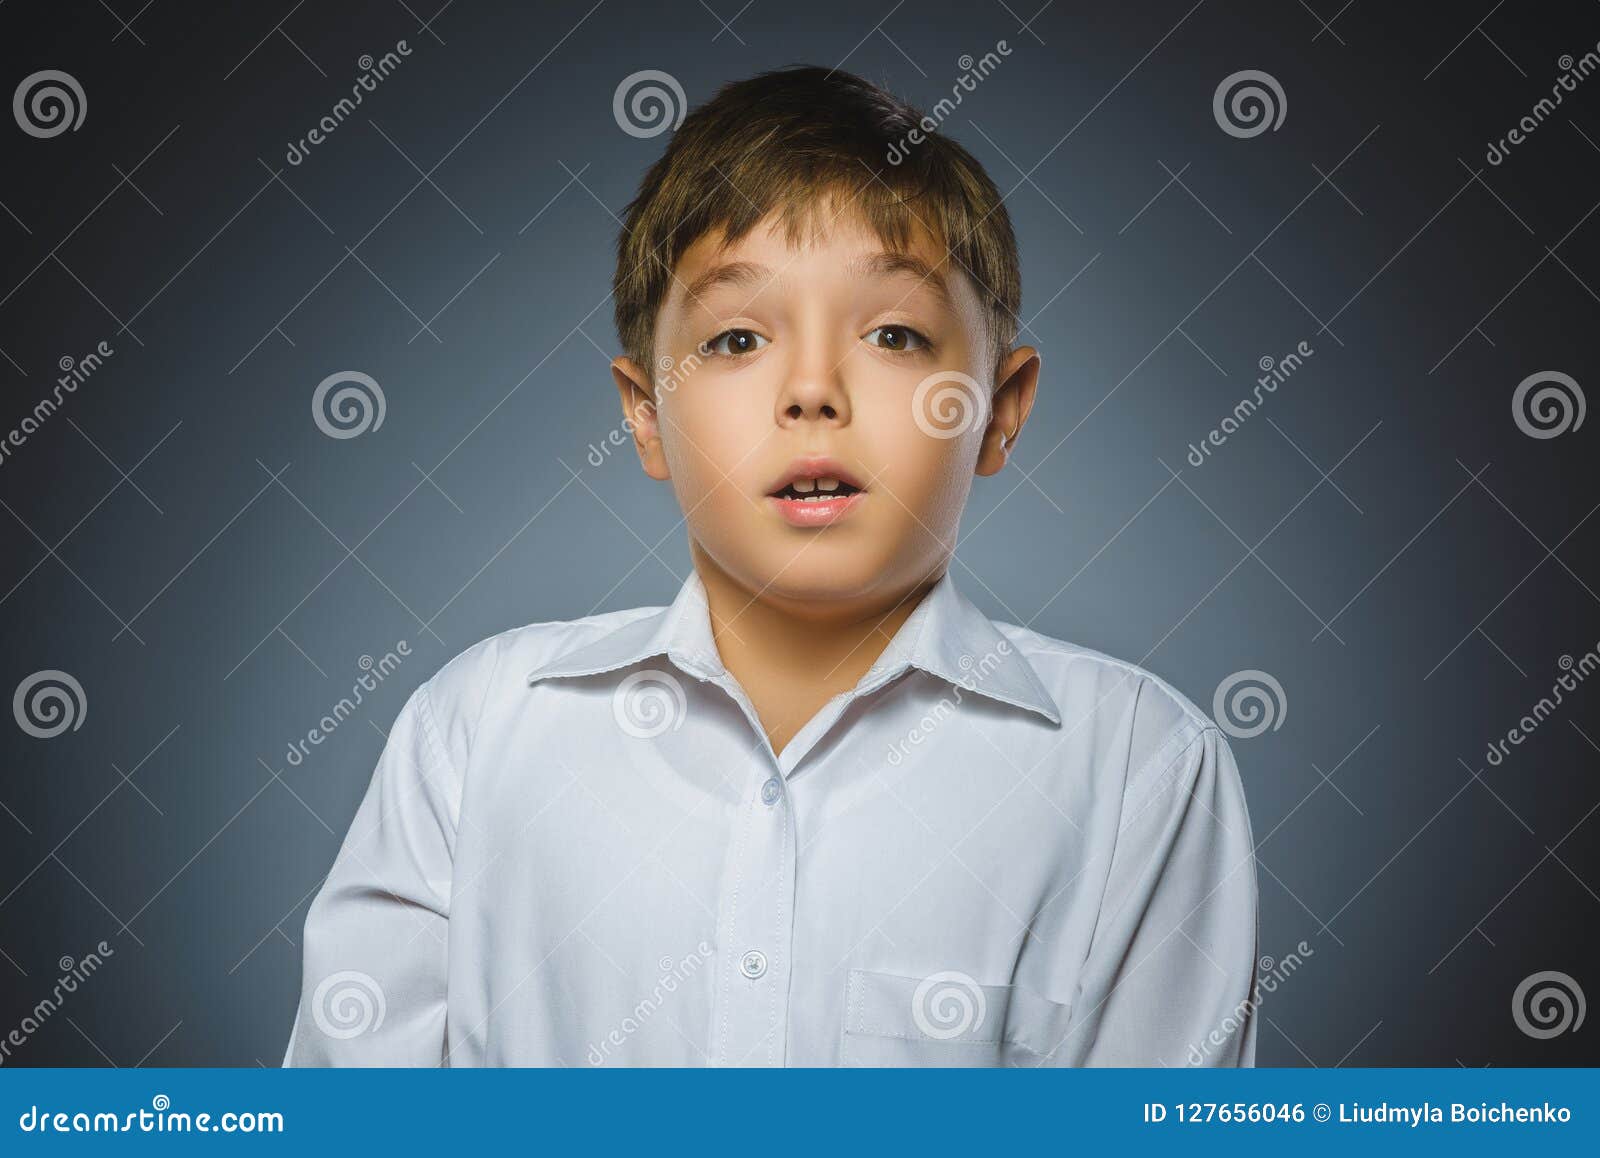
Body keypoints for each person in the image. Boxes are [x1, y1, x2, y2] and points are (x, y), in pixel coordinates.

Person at [284, 64, 1258, 1067]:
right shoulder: (479, 733)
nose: (810, 392)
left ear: (998, 411)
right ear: (644, 414)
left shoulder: (1137, 766)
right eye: (737, 338)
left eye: (893, 333)